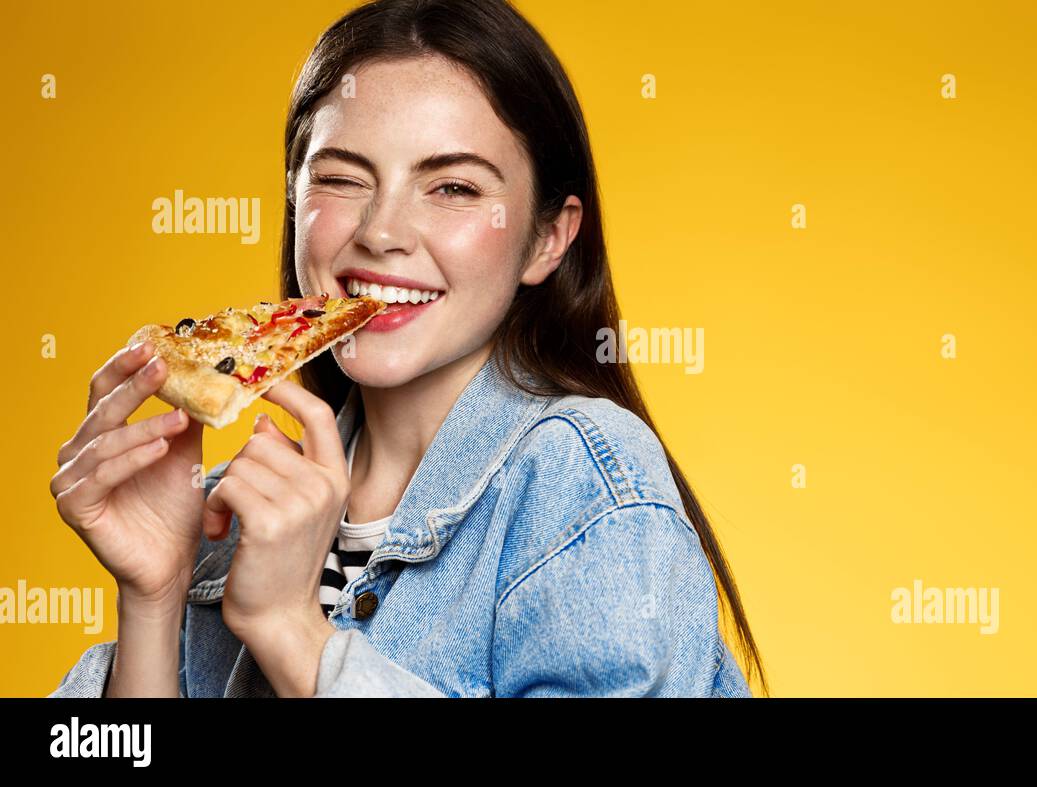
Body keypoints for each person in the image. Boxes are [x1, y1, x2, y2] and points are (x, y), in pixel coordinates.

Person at [47, 0, 766, 698]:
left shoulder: (577, 478)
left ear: (548, 238)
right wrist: (155, 597)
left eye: (452, 186)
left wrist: (293, 633)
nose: (382, 231)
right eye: (342, 178)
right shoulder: (240, 507)